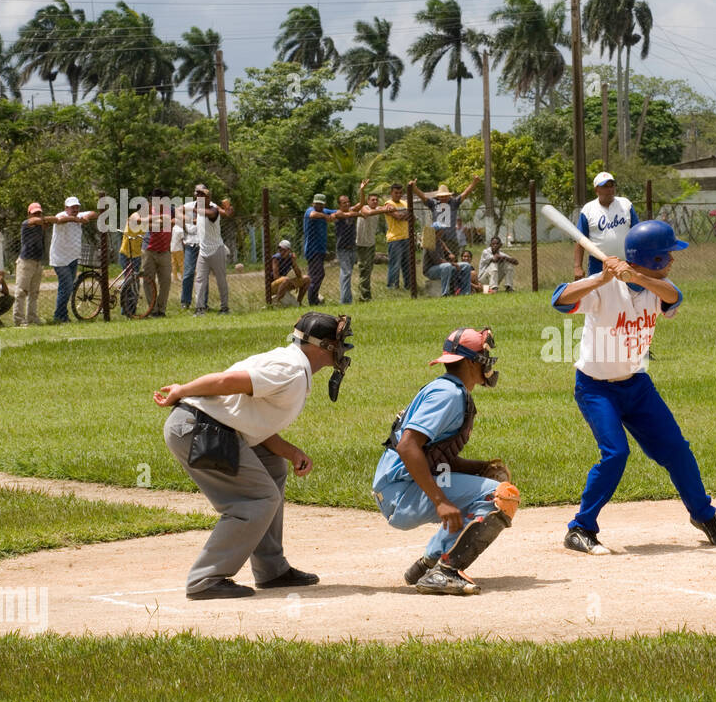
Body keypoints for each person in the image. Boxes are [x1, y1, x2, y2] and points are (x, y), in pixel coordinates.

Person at [550, 220, 716, 555]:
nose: (673, 261)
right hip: (596, 387)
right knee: (616, 453)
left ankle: (705, 516)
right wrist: (601, 278)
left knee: (677, 449)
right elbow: (559, 300)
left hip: (637, 385)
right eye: (668, 256)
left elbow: (675, 297)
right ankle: (580, 528)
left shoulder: (657, 286)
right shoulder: (603, 289)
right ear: (656, 259)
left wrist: (636, 277)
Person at [154, 312, 354, 599]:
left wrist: (291, 452)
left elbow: (245, 417)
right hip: (198, 429)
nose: (342, 349)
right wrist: (180, 391)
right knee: (258, 498)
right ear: (321, 347)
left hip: (213, 426)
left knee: (273, 467)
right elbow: (225, 383)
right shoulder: (290, 369)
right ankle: (206, 579)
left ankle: (271, 569)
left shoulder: (293, 367)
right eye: (338, 342)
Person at [372, 327, 519, 596]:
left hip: (398, 487)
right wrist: (440, 501)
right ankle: (445, 572)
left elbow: (433, 458)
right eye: (483, 357)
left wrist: (479, 468)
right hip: (401, 494)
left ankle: (428, 565)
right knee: (501, 495)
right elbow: (407, 447)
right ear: (471, 362)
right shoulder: (448, 395)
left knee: (490, 484)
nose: (488, 363)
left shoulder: (448, 389)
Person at [574, 171, 639, 280]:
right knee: (599, 296)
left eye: (612, 185)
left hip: (626, 262)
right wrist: (577, 266)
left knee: (628, 296)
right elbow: (580, 240)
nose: (610, 189)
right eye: (605, 186)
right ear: (596, 190)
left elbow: (637, 234)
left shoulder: (626, 204)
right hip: (598, 264)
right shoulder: (588, 210)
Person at [48, 195, 101, 323]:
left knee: (67, 287)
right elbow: (60, 220)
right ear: (66, 208)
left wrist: (86, 217)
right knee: (66, 287)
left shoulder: (80, 215)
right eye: (72, 207)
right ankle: (59, 316)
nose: (75, 209)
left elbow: (95, 213)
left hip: (73, 257)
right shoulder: (62, 215)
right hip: (60, 259)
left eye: (77, 207)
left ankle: (62, 315)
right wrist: (75, 220)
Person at [187, 184, 233, 315]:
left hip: (216, 250)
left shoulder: (213, 210)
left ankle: (224, 308)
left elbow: (209, 213)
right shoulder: (199, 209)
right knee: (200, 280)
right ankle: (200, 308)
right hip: (203, 251)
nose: (199, 198)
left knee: (221, 280)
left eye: (202, 196)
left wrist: (197, 209)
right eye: (198, 196)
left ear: (208, 198)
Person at [14, 202, 59, 327]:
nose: (37, 215)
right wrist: (42, 220)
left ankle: (32, 317)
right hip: (25, 261)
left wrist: (43, 220)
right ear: (29, 214)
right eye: (35, 213)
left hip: (38, 262)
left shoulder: (41, 225)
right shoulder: (26, 223)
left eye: (39, 213)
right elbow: (35, 221)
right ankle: (19, 319)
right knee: (21, 291)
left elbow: (56, 219)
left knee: (34, 293)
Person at [412, 176, 480, 247]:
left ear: (449, 196)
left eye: (445, 196)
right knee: (438, 257)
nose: (443, 198)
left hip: (451, 239)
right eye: (441, 196)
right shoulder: (433, 204)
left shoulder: (454, 203)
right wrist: (414, 188)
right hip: (437, 239)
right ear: (438, 197)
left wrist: (474, 183)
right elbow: (423, 196)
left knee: (453, 257)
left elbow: (465, 193)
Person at [140, 188, 174, 317]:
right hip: (149, 250)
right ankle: (152, 310)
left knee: (165, 281)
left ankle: (161, 309)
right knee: (149, 281)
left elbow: (177, 220)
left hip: (165, 251)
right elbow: (140, 222)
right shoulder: (148, 210)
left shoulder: (170, 210)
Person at [302, 193, 339, 305]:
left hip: (321, 249)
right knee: (317, 275)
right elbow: (312, 215)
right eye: (317, 204)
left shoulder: (324, 210)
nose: (319, 206)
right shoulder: (310, 210)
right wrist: (326, 217)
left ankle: (314, 298)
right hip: (312, 250)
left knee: (316, 275)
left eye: (321, 204)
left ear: (324, 204)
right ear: (313, 203)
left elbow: (336, 212)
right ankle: (313, 300)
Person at [422, 226, 471, 296]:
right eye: (440, 232)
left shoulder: (439, 242)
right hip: (430, 270)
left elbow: (448, 253)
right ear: (435, 233)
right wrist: (453, 264)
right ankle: (445, 293)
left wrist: (449, 253)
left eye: (442, 232)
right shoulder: (430, 244)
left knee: (466, 266)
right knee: (447, 266)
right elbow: (438, 261)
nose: (442, 234)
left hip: (442, 266)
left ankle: (465, 292)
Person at [333, 189, 363, 305]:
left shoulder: (351, 210)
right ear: (340, 205)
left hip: (352, 247)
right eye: (344, 203)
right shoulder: (338, 213)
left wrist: (362, 190)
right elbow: (348, 214)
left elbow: (360, 204)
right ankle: (344, 302)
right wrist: (359, 214)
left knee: (346, 274)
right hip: (342, 248)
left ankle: (347, 299)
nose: (347, 204)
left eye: (348, 202)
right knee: (346, 273)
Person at [381, 183, 412, 290]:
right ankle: (392, 286)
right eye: (396, 193)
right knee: (395, 264)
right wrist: (405, 215)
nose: (398, 195)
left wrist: (403, 215)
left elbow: (413, 217)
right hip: (394, 239)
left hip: (407, 237)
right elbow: (398, 217)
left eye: (400, 193)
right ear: (391, 193)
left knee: (407, 265)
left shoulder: (405, 203)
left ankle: (409, 286)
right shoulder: (388, 204)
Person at [355, 182, 382, 302]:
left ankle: (366, 295)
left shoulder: (378, 209)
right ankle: (364, 296)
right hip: (361, 244)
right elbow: (368, 213)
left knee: (369, 270)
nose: (375, 202)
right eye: (372, 200)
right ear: (368, 201)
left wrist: (388, 208)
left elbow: (388, 208)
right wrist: (362, 190)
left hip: (371, 244)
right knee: (364, 270)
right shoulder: (364, 208)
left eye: (376, 200)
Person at [270, 240, 309, 305]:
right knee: (286, 280)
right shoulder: (276, 258)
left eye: (284, 250)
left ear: (289, 251)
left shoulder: (291, 258)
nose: (281, 252)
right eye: (280, 250)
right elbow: (276, 277)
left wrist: (294, 262)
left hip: (285, 282)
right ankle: (276, 303)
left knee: (307, 279)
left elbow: (299, 275)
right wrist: (288, 281)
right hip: (273, 285)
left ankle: (299, 303)